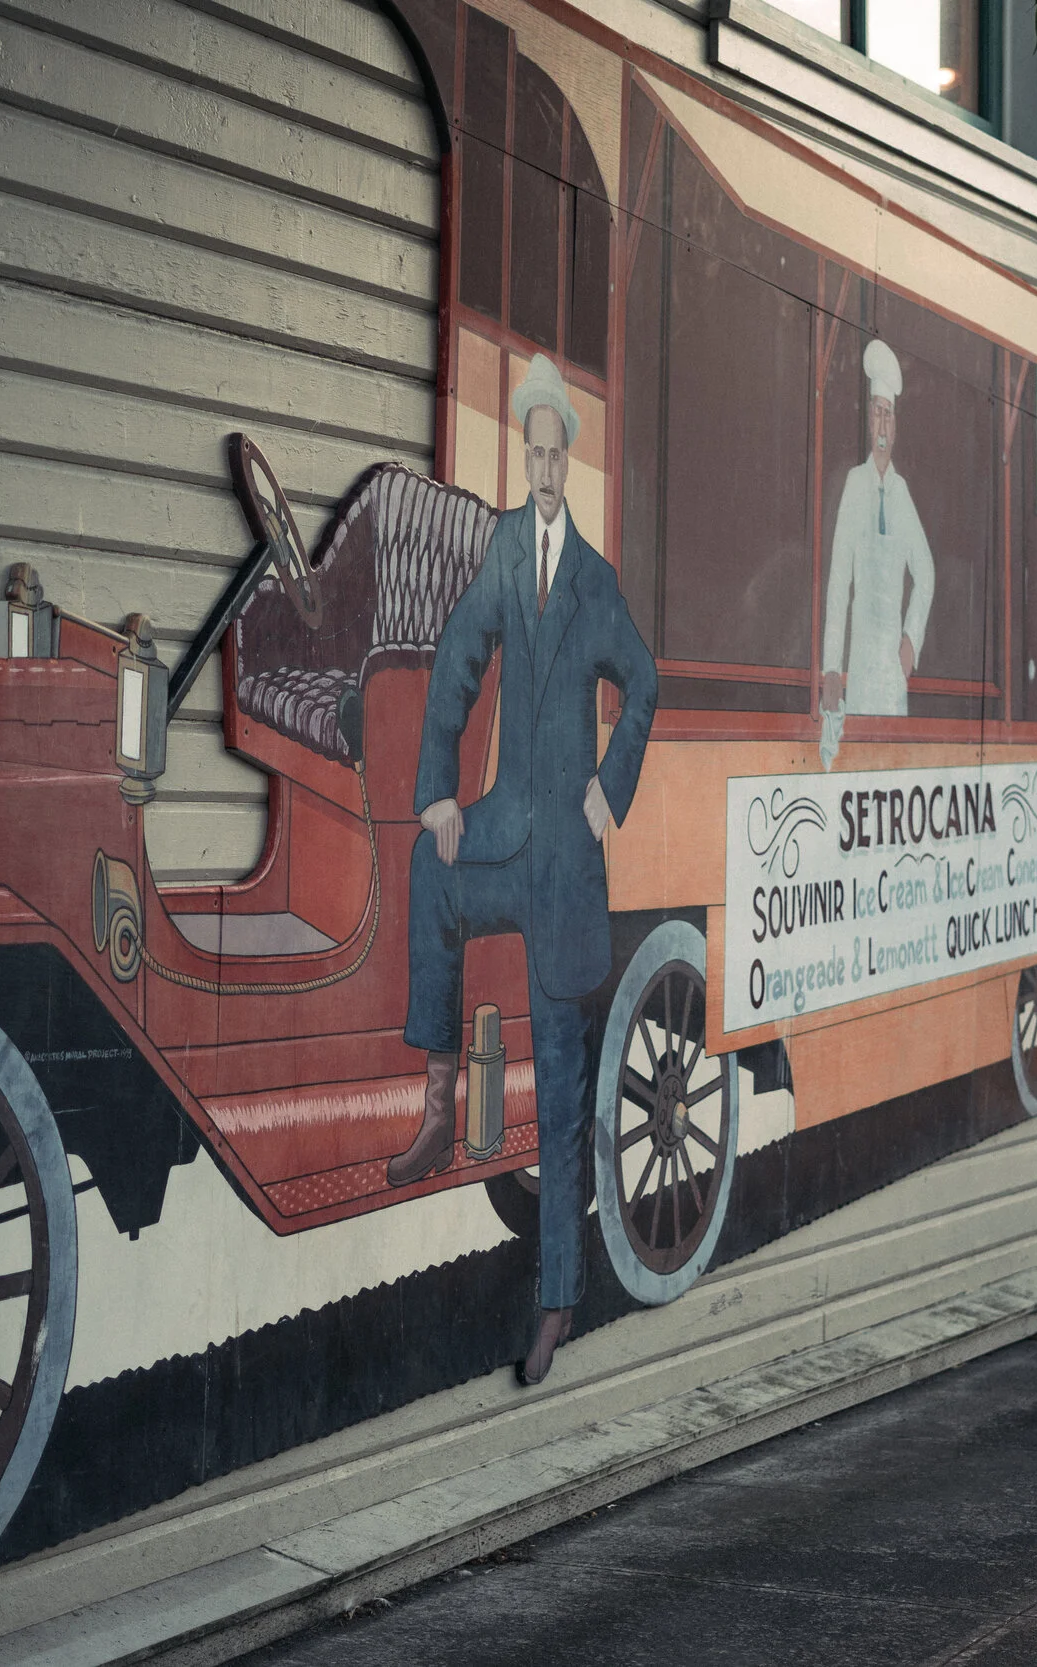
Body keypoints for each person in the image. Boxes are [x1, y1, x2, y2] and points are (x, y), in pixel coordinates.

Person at [384, 355, 658, 1388]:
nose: (543, 469)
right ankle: (441, 1095)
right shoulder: (504, 549)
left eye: (556, 455)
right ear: (524, 455)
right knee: (430, 870)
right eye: (531, 452)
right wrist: (439, 793)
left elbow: (645, 683)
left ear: (571, 462)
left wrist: (607, 793)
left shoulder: (593, 582)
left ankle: (554, 1301)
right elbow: (457, 659)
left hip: (564, 868)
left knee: (557, 1087)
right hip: (499, 831)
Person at [820, 339, 936, 726]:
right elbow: (838, 579)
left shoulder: (901, 494)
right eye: (876, 415)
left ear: (896, 426)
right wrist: (831, 668)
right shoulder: (855, 485)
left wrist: (911, 642)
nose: (882, 425)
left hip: (893, 671)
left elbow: (926, 574)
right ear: (868, 423)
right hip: (861, 663)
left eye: (888, 416)